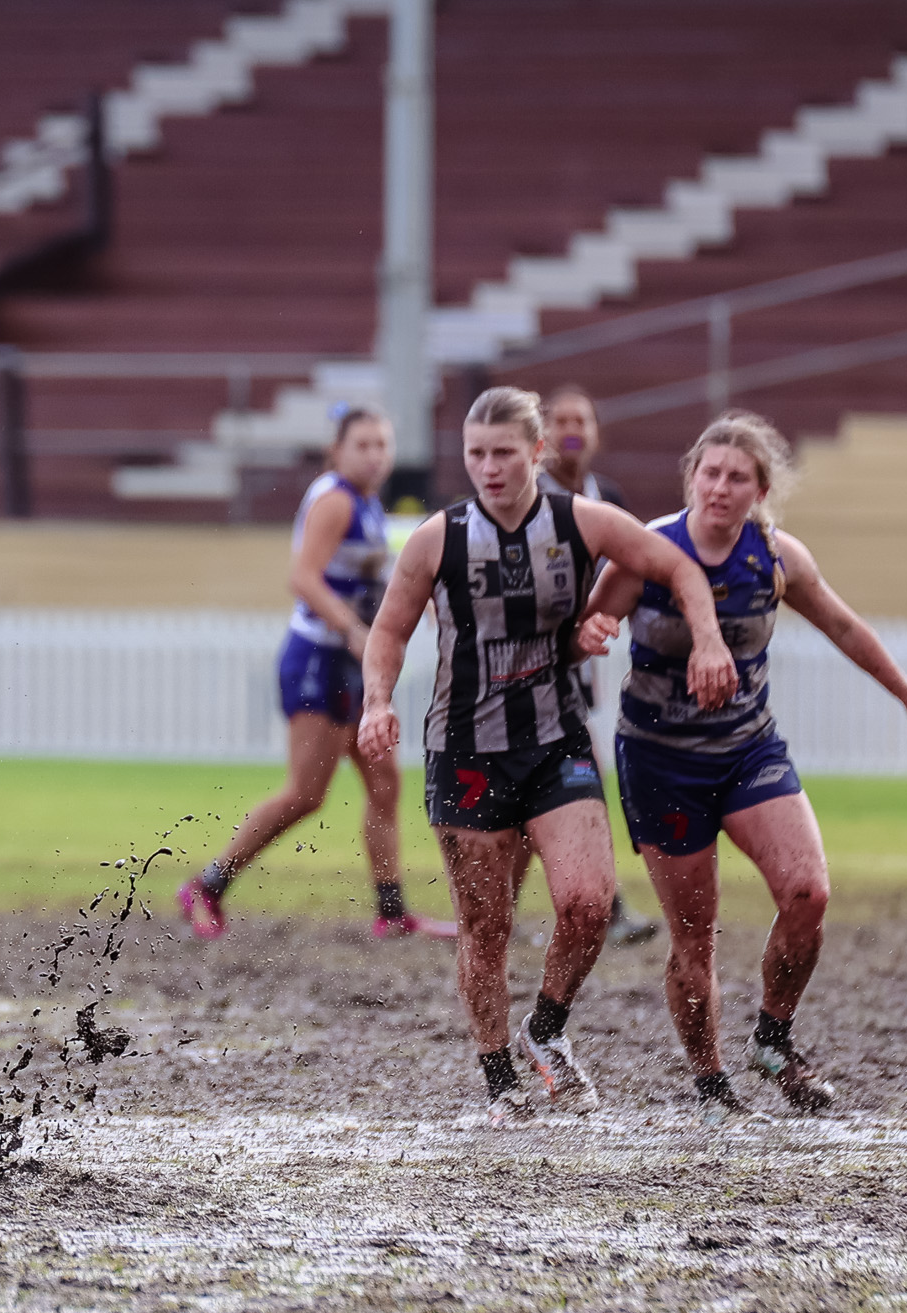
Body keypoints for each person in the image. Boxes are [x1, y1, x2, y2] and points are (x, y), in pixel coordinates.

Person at [356, 386, 738, 1125]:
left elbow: (681, 566)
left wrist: (710, 638)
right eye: (475, 455)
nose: (489, 468)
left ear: (535, 452)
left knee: (590, 903)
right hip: (465, 750)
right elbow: (389, 632)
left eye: (503, 453)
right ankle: (500, 1078)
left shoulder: (580, 521)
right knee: (486, 926)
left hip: (557, 739)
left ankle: (548, 1029)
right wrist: (377, 700)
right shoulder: (438, 538)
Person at [575, 412, 907, 1118]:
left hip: (748, 750)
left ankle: (773, 1039)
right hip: (661, 761)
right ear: (691, 477)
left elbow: (843, 625)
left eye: (737, 477)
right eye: (710, 472)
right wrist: (592, 633)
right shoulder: (646, 551)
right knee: (695, 936)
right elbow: (584, 628)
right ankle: (712, 1081)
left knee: (809, 893)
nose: (720, 487)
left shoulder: (777, 557)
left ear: (761, 489)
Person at [178, 406, 452, 941]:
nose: (375, 455)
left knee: (384, 782)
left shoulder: (368, 505)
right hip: (318, 661)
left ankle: (392, 911)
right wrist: (354, 629)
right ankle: (206, 886)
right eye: (364, 445)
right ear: (337, 451)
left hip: (349, 663)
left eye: (383, 444)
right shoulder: (335, 500)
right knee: (305, 794)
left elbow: (386, 579)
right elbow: (302, 578)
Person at [531, 385, 657, 947]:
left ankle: (604, 905)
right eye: (560, 420)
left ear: (597, 431)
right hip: (530, 661)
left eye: (580, 419)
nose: (571, 429)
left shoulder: (607, 496)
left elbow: (638, 567)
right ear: (542, 434)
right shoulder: (526, 495)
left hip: (578, 663)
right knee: (563, 780)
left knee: (576, 776)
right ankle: (606, 907)